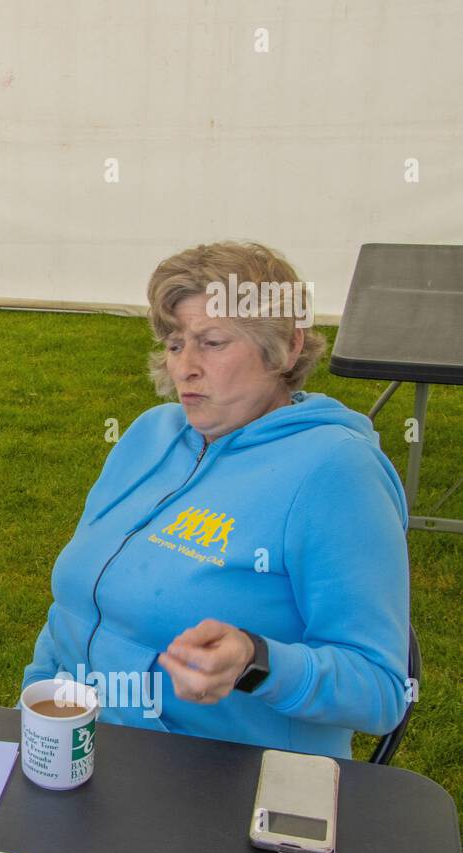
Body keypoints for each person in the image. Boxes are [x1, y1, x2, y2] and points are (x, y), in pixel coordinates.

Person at [22, 241, 410, 759]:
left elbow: (380, 691)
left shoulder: (336, 471)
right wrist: (34, 700)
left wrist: (257, 662)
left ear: (288, 349)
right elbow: (72, 602)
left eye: (212, 342)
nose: (185, 367)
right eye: (176, 343)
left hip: (222, 782)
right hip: (82, 745)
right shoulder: (150, 435)